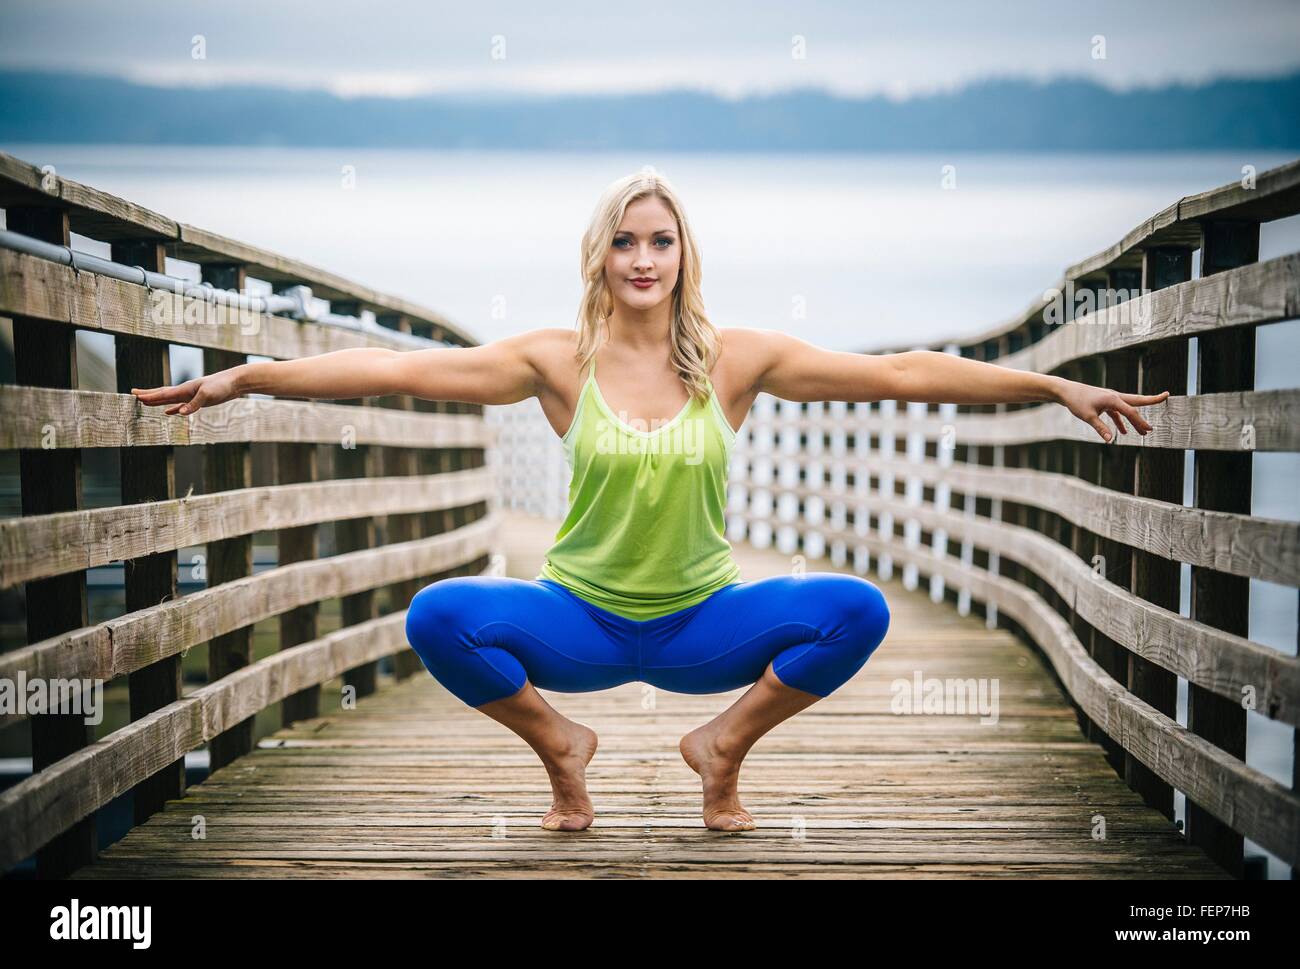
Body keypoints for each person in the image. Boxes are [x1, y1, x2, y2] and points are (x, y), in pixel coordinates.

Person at [131, 169, 1170, 833]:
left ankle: (720, 750)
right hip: (576, 622)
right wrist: (250, 377)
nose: (642, 259)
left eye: (660, 241)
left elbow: (901, 373)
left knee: (857, 610)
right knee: (439, 616)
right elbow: (397, 372)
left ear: (684, 256)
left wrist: (1051, 385)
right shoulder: (553, 360)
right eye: (625, 241)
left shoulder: (737, 359)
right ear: (600, 254)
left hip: (700, 627)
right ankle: (563, 754)